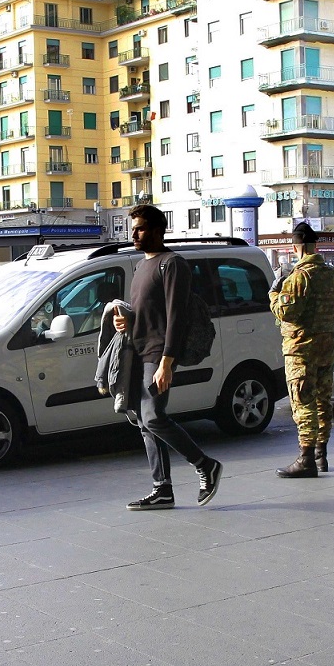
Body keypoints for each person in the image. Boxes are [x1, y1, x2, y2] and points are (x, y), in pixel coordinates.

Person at [111, 204, 223, 510]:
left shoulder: (172, 264)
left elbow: (176, 317)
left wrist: (166, 362)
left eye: (141, 228)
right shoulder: (140, 267)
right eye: (132, 228)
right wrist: (124, 322)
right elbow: (144, 313)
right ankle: (162, 489)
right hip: (138, 350)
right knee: (144, 422)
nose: (134, 233)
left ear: (159, 230)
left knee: (154, 416)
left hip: (157, 353)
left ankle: (205, 465)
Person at [271, 221, 334, 477]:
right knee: (323, 400)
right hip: (327, 346)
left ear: (296, 247)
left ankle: (305, 458)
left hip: (302, 349)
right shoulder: (331, 274)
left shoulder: (299, 277)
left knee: (303, 401)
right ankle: (321, 455)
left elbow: (286, 312)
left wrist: (274, 294)